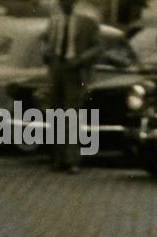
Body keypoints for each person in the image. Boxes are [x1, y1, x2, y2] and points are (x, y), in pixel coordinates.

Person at [42, 0, 103, 173]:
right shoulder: (55, 18)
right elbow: (45, 39)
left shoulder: (87, 20)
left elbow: (98, 46)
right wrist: (46, 52)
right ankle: (57, 158)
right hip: (56, 68)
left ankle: (72, 160)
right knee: (55, 113)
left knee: (71, 114)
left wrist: (81, 59)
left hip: (75, 70)